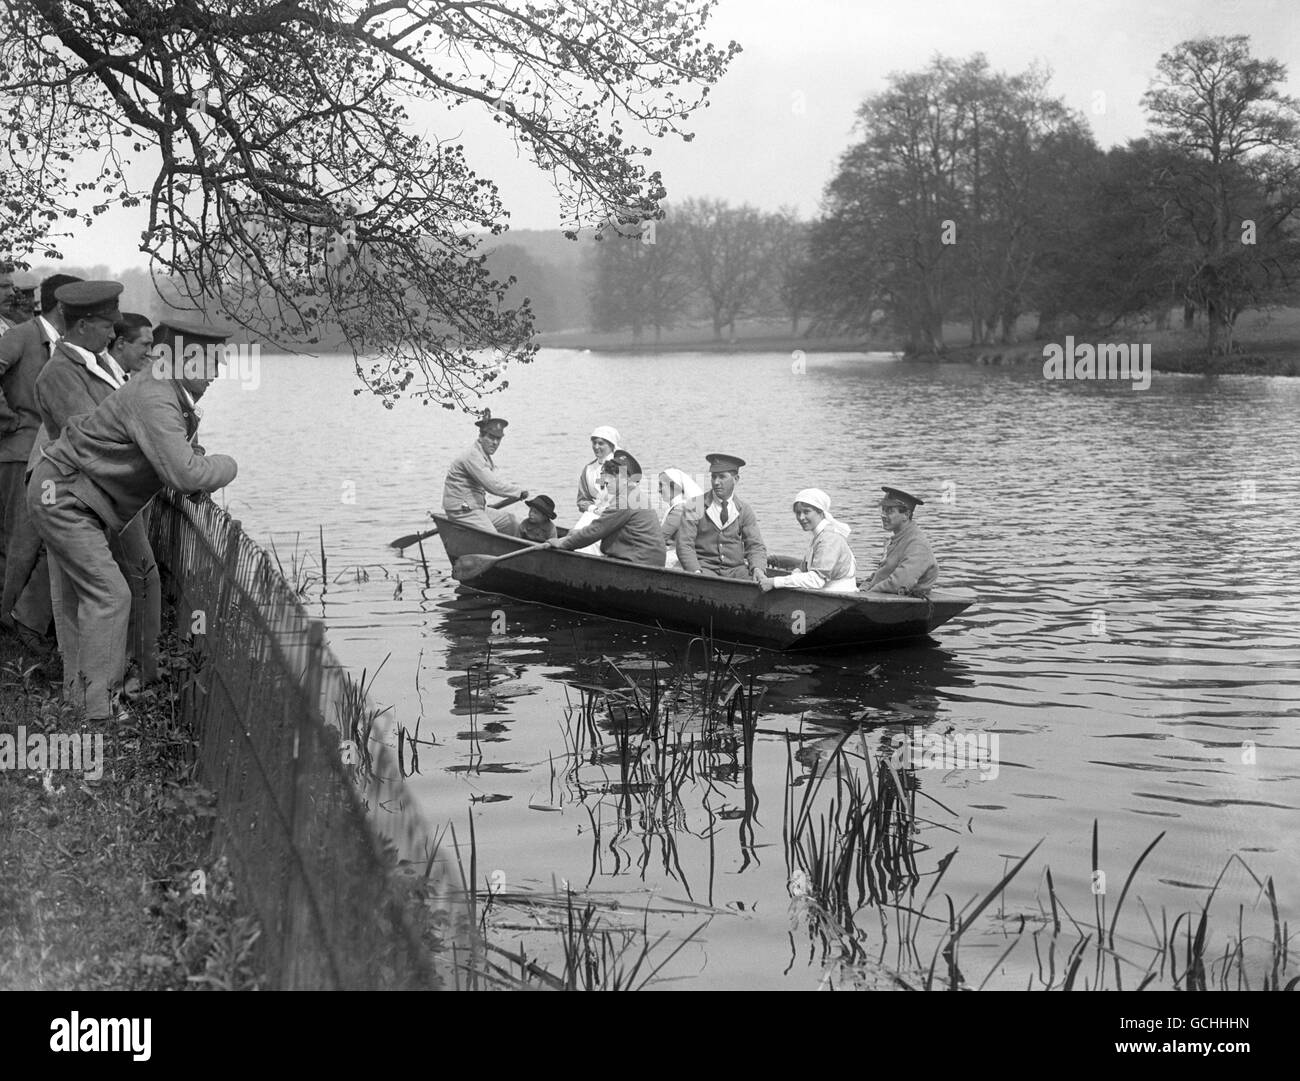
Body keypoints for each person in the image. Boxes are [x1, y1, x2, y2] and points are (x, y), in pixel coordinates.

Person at [27, 281, 238, 721]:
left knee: (84, 600)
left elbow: (171, 460)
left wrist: (191, 466)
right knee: (111, 595)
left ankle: (80, 700)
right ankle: (98, 714)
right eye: (212, 362)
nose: (218, 372)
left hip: (74, 496)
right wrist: (227, 465)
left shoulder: (162, 392)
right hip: (65, 499)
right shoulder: (157, 398)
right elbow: (183, 473)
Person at [0, 272, 82, 643]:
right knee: (18, 541)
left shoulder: (67, 344)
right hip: (19, 454)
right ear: (63, 305)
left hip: (53, 458)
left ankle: (25, 623)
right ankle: (9, 624)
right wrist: (9, 419)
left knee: (42, 540)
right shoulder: (21, 335)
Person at [545, 450, 666, 566]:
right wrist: (576, 533)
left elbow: (596, 530)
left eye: (611, 477)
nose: (606, 483)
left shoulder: (625, 501)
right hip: (648, 559)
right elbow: (606, 527)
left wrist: (562, 544)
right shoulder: (635, 495)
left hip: (640, 561)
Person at [675, 453, 767, 579]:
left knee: (758, 584)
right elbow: (684, 544)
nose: (716, 482)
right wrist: (695, 572)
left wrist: (758, 569)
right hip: (704, 569)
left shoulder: (744, 510)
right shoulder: (695, 506)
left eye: (722, 477)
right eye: (713, 477)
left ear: (736, 479)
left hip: (736, 571)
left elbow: (755, 546)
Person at [441, 411, 527, 535]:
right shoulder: (473, 456)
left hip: (474, 507)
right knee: (492, 536)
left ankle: (516, 550)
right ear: (481, 437)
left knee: (511, 521)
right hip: (462, 510)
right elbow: (493, 486)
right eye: (491, 437)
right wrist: (518, 492)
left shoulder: (483, 455)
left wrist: (516, 494)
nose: (495, 443)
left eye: (498, 439)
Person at [756, 489, 858, 593]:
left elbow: (816, 580)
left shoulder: (830, 539)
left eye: (806, 512)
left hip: (838, 594)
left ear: (820, 512)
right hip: (826, 592)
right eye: (798, 512)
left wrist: (774, 582)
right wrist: (795, 574)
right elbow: (804, 570)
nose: (801, 517)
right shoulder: (819, 536)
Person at [865, 486, 938, 595]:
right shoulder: (899, 539)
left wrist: (866, 593)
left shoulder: (917, 544)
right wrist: (863, 588)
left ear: (906, 515)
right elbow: (881, 574)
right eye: (883, 509)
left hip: (900, 605)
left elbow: (898, 583)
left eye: (889, 511)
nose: (883, 515)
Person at [657, 467, 704, 570]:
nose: (658, 490)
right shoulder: (681, 507)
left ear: (674, 486)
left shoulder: (679, 510)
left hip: (678, 559)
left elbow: (660, 538)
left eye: (661, 485)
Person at [577, 425, 619, 513]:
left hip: (618, 516)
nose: (596, 447)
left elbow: (628, 498)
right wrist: (594, 509)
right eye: (594, 443)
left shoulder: (621, 466)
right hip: (594, 515)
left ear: (611, 445)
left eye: (601, 443)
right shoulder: (588, 469)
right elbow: (582, 500)